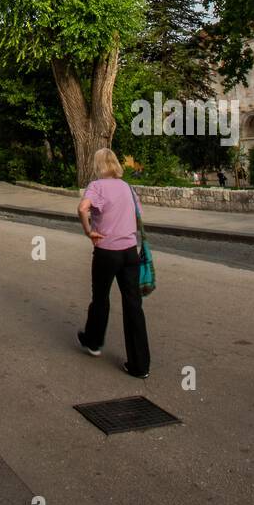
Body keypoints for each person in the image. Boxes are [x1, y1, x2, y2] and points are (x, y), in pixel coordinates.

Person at [76, 148, 150, 379]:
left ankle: (94, 341)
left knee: (100, 297)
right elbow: (139, 217)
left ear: (98, 165)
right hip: (130, 252)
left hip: (107, 251)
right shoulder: (127, 187)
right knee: (133, 305)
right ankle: (140, 365)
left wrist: (90, 231)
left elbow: (82, 208)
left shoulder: (97, 186)